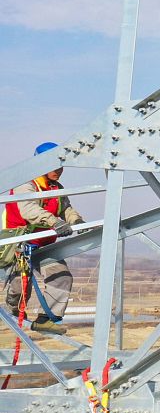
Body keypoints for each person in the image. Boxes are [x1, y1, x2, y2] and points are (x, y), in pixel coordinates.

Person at [2, 143, 84, 335]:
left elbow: (66, 209)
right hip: (20, 243)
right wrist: (54, 222)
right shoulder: (26, 184)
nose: (58, 170)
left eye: (61, 166)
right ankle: (13, 309)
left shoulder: (56, 187)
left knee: (61, 277)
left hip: (44, 244)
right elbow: (29, 210)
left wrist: (77, 221)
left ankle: (46, 318)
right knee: (21, 285)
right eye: (54, 166)